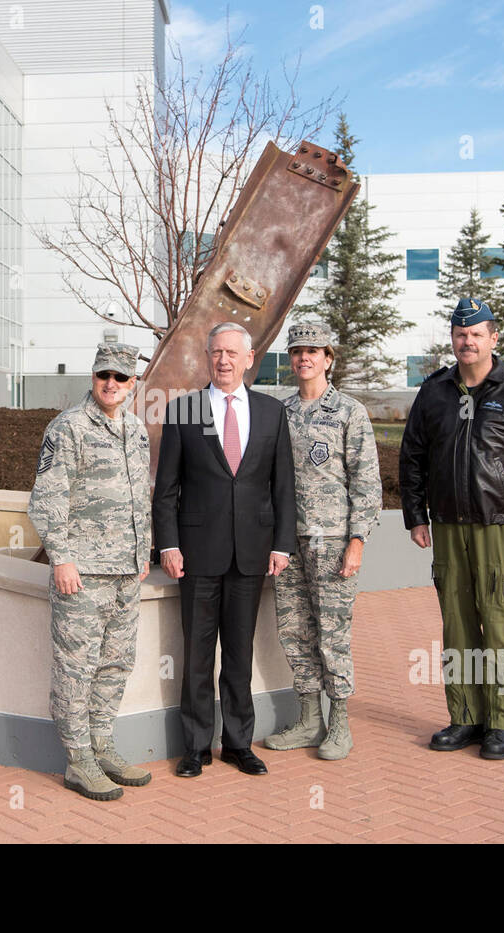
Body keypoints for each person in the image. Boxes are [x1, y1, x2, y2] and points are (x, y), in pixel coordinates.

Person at [398, 298, 504, 760]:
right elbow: (412, 457)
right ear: (452, 339)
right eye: (459, 334)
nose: (467, 341)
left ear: (493, 338)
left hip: (502, 529)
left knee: (502, 625)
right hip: (449, 528)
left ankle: (502, 722)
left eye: (475, 333)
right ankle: (465, 716)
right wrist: (416, 515)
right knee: (458, 625)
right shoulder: (434, 391)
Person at [153, 321, 297, 778]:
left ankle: (238, 743)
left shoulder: (273, 413)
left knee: (239, 652)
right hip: (196, 554)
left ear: (250, 358)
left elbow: (284, 487)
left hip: (252, 554)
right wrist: (169, 544)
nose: (224, 360)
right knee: (197, 653)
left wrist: (282, 545)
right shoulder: (184, 411)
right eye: (217, 352)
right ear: (207, 356)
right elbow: (166, 488)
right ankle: (195, 747)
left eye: (233, 353)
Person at [27, 342, 153, 801]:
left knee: (116, 663)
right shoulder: (69, 428)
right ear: (93, 377)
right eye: (105, 375)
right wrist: (60, 557)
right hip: (82, 574)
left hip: (125, 572)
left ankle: (102, 744)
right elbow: (46, 499)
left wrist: (144, 553)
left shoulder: (135, 430)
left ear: (133, 383)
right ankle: (78, 758)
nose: (111, 384)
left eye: (121, 377)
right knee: (75, 668)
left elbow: (141, 496)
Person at [263, 322, 382, 761]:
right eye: (296, 351)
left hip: (331, 542)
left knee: (332, 634)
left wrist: (357, 540)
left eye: (313, 351)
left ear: (329, 358)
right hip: (286, 543)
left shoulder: (350, 412)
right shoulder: (281, 412)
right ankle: (309, 719)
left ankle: (340, 724)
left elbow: (366, 483)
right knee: (295, 631)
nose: (304, 358)